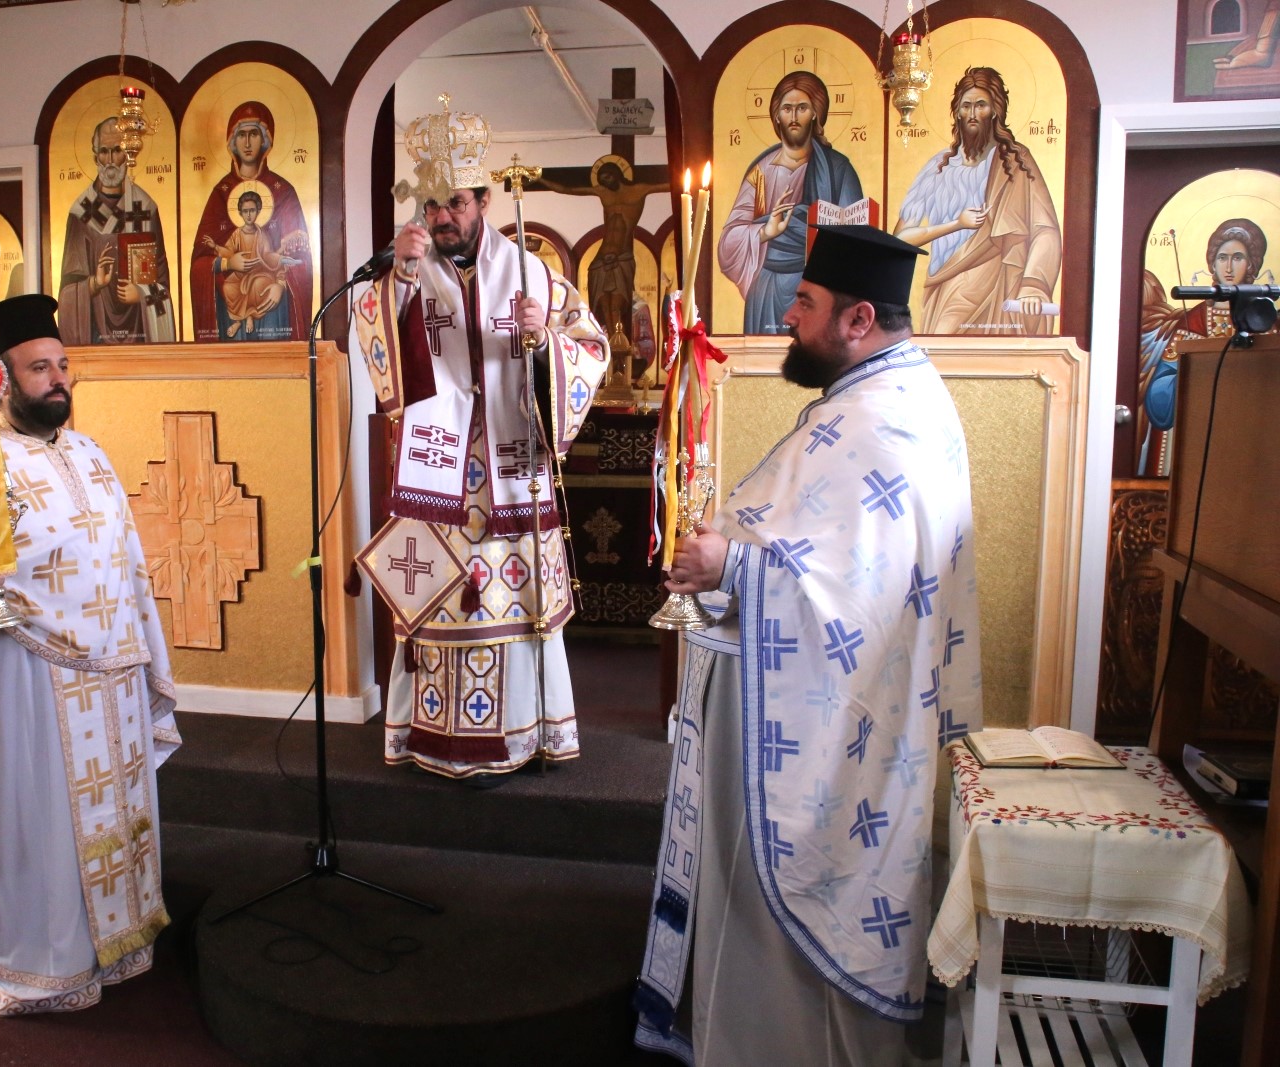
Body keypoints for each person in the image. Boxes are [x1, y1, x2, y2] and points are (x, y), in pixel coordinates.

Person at [635, 226, 982, 1065]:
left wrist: (732, 566)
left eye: (805, 302)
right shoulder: (888, 396)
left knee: (774, 909)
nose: (786, 315)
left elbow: (857, 601)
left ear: (859, 319)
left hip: (822, 731)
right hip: (802, 701)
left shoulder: (885, 420)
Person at [0, 293, 181, 1016]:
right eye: (39, 368)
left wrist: (143, 651)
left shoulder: (89, 454)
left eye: (63, 365)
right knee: (40, 824)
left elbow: (127, 563)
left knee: (117, 818)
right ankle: (42, 966)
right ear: (2, 380)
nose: (58, 380)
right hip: (33, 676)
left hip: (111, 670)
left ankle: (117, 943)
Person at [353, 112, 609, 784]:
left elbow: (592, 349)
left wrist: (544, 340)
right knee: (435, 604)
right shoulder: (408, 272)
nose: (443, 217)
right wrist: (399, 280)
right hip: (435, 474)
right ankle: (430, 736)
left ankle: (526, 732)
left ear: (485, 202)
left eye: (456, 203)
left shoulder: (533, 273)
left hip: (511, 477)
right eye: (433, 205)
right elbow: (378, 347)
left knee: (515, 611)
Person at [893, 66, 1061, 335]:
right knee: (941, 347)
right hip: (946, 281)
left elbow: (1045, 229)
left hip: (1001, 278)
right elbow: (900, 239)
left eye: (980, 105)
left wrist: (1034, 284)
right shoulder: (938, 167)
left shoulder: (1016, 163)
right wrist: (957, 224)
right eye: (966, 106)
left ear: (995, 111)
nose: (972, 114)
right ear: (957, 112)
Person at [717, 71, 865, 334]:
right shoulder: (761, 172)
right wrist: (765, 232)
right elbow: (728, 242)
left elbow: (857, 239)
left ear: (815, 113)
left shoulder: (838, 169)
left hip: (818, 290)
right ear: (777, 115)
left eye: (802, 108)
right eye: (787, 109)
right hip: (767, 289)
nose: (794, 116)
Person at [1136, 217, 1267, 476]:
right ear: (1212, 263)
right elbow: (1160, 408)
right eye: (1222, 258)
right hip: (1197, 436)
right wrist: (1184, 378)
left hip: (1253, 438)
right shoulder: (1192, 322)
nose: (1228, 267)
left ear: (1251, 263)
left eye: (1238, 258)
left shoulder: (1266, 324)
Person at [190, 101, 313, 342]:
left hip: (273, 305)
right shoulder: (220, 194)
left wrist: (281, 284)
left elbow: (300, 258)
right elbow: (199, 262)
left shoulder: (284, 193)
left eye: (254, 134)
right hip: (231, 300)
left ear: (265, 140)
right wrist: (226, 263)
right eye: (241, 135)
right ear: (232, 142)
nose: (247, 143)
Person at [57, 117, 177, 346]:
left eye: (117, 150)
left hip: (140, 340)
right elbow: (67, 293)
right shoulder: (81, 214)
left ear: (128, 155)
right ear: (95, 157)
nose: (110, 160)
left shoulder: (145, 209)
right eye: (104, 151)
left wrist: (142, 294)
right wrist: (94, 283)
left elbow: (162, 283)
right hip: (96, 342)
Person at [533, 156, 667, 338]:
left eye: (608, 177)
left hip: (622, 257)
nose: (605, 182)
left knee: (617, 306)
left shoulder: (639, 190)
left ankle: (620, 344)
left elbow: (666, 185)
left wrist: (690, 180)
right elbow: (567, 189)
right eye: (602, 179)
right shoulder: (603, 193)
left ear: (617, 174)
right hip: (601, 258)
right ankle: (611, 343)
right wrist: (539, 178)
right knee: (603, 306)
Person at [207, 189, 289, 337]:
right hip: (241, 275)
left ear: (258, 211)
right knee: (228, 287)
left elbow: (267, 255)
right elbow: (229, 251)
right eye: (245, 211)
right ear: (240, 213)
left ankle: (249, 316)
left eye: (252, 210)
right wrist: (216, 247)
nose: (249, 215)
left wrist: (278, 254)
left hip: (260, 272)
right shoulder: (237, 234)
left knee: (257, 286)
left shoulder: (262, 234)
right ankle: (240, 320)